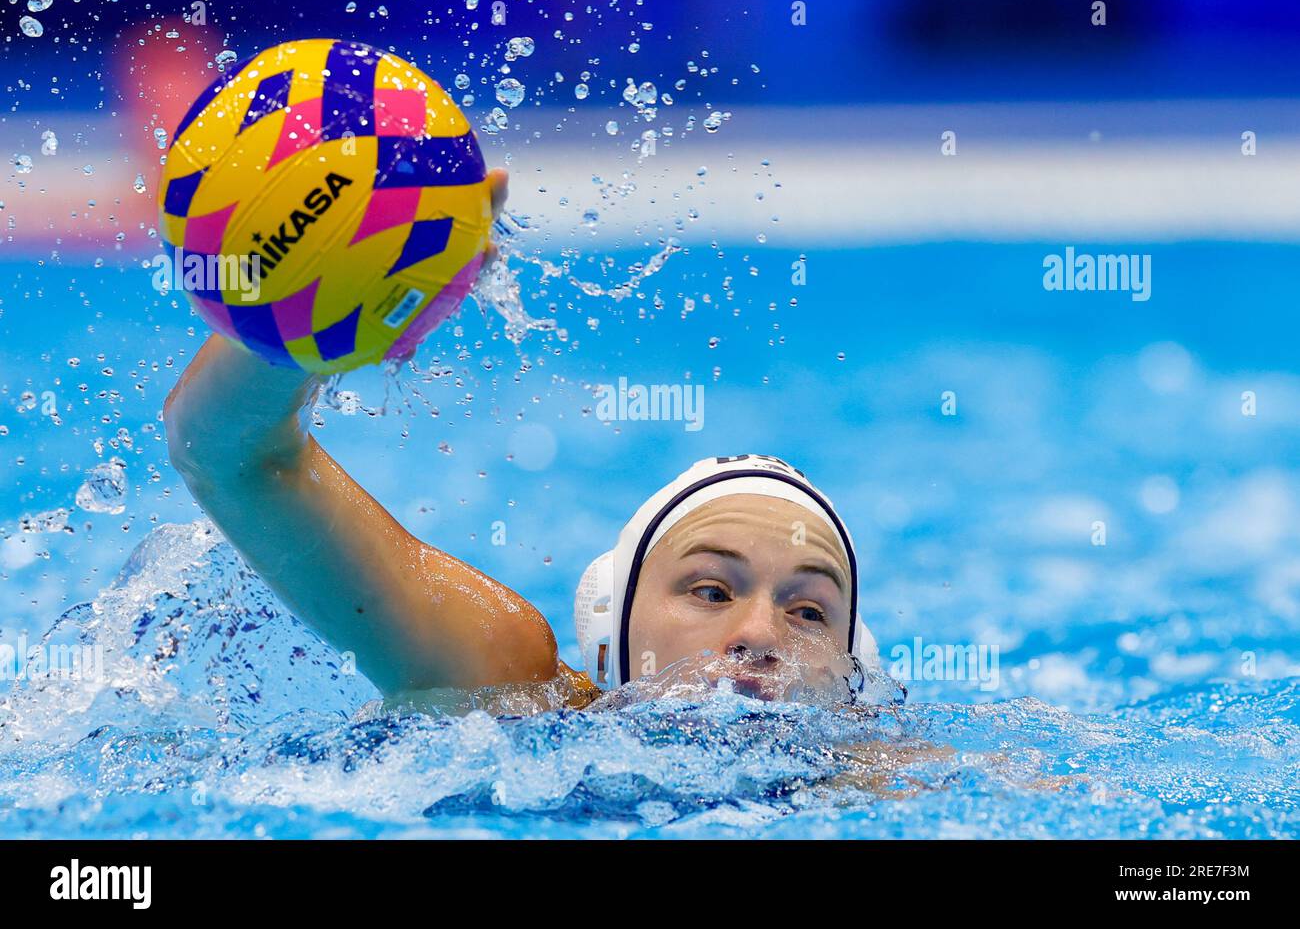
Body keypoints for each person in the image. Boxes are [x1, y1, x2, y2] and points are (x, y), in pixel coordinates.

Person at [163, 169, 883, 713]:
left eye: (809, 612)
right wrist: (328, 304)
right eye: (710, 589)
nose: (759, 634)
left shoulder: (893, 779)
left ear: (855, 675)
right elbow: (231, 453)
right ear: (612, 629)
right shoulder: (516, 700)